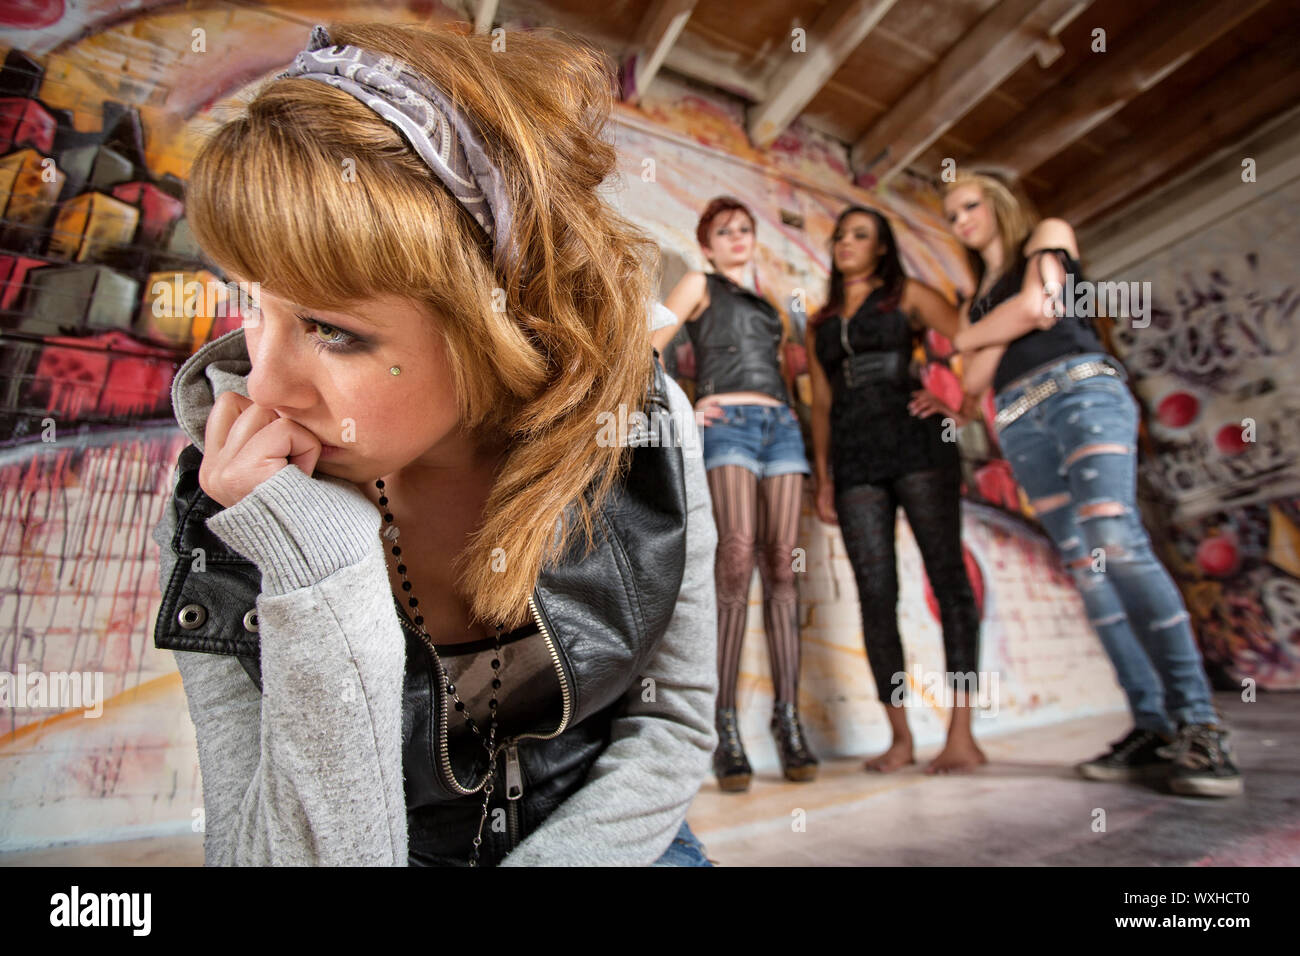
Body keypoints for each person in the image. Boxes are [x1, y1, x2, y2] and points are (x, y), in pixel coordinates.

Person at [150, 21, 722, 866]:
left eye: (332, 331)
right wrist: (320, 576)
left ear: (500, 324)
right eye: (256, 307)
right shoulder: (228, 495)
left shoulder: (641, 432)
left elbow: (672, 727)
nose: (264, 387)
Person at [944, 170, 1243, 796]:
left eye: (969, 205)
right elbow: (972, 384)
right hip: (1020, 422)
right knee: (1088, 566)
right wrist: (992, 326)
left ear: (998, 202)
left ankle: (1200, 723)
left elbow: (1043, 307)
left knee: (1117, 537)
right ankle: (1153, 726)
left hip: (1082, 390)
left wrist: (973, 334)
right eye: (951, 214)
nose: (960, 220)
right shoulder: (980, 292)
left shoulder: (1048, 234)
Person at [806, 205, 984, 774]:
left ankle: (961, 735)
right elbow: (824, 405)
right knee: (876, 596)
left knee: (948, 580)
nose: (846, 243)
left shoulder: (907, 293)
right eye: (841, 235)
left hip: (918, 443)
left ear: (881, 248)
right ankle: (900, 738)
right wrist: (826, 476)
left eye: (861, 235)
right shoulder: (821, 321)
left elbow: (974, 338)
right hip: (855, 458)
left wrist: (962, 406)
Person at [652, 196, 817, 791]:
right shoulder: (700, 281)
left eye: (745, 229)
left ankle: (788, 723)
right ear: (707, 244)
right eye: (724, 231)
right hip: (732, 429)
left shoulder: (770, 307)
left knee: (781, 568)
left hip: (783, 430)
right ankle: (724, 729)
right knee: (737, 555)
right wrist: (689, 401)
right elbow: (649, 342)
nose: (737, 238)